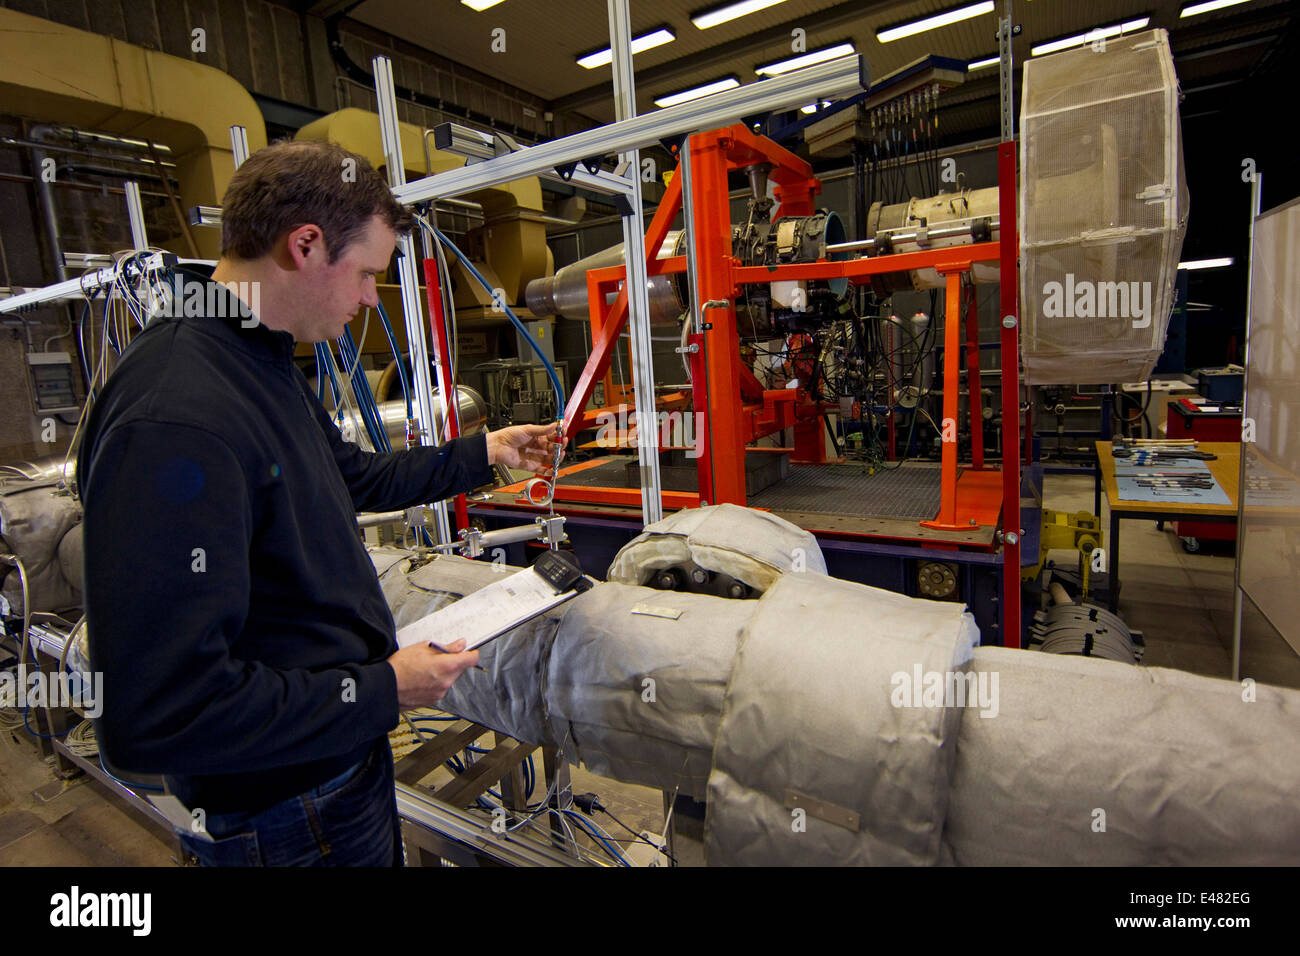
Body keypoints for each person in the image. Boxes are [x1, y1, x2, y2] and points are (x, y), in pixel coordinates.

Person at [77, 139, 562, 866]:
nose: (371, 297)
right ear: (304, 245)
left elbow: (353, 479)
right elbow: (156, 715)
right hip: (285, 814)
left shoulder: (259, 360)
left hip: (334, 773)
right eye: (366, 273)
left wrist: (483, 453)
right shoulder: (175, 416)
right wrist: (380, 691)